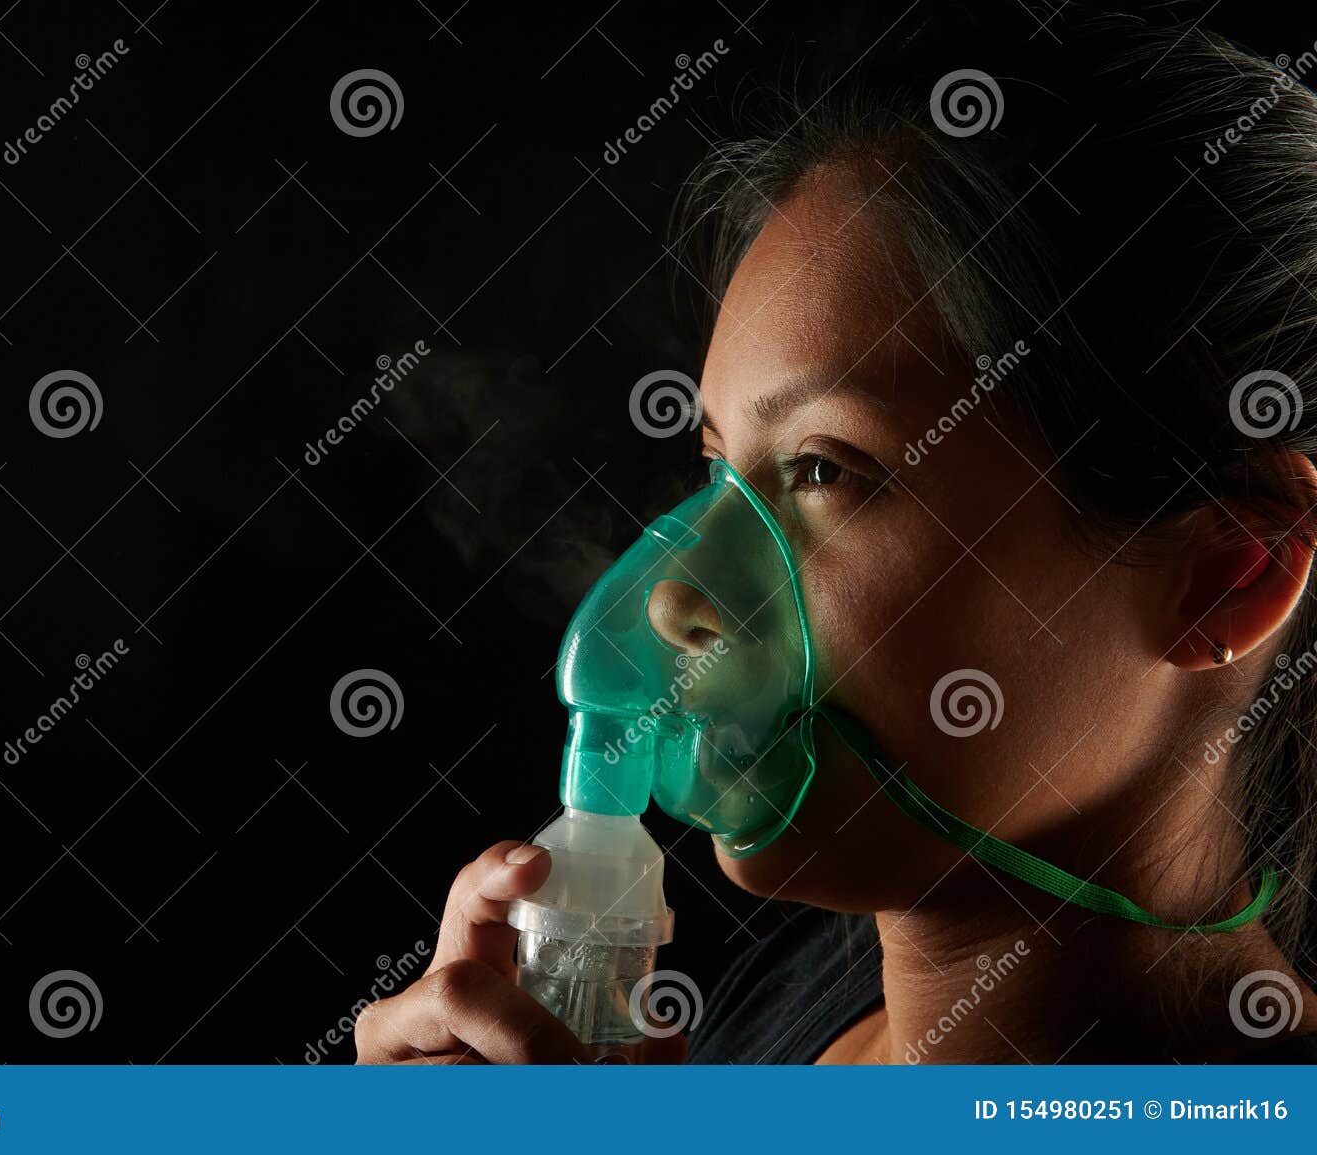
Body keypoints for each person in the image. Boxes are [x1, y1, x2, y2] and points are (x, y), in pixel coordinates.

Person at [357, 4, 1317, 1063]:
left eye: (822, 470)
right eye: (720, 468)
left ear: (1232, 570)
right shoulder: (769, 1010)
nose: (673, 595)